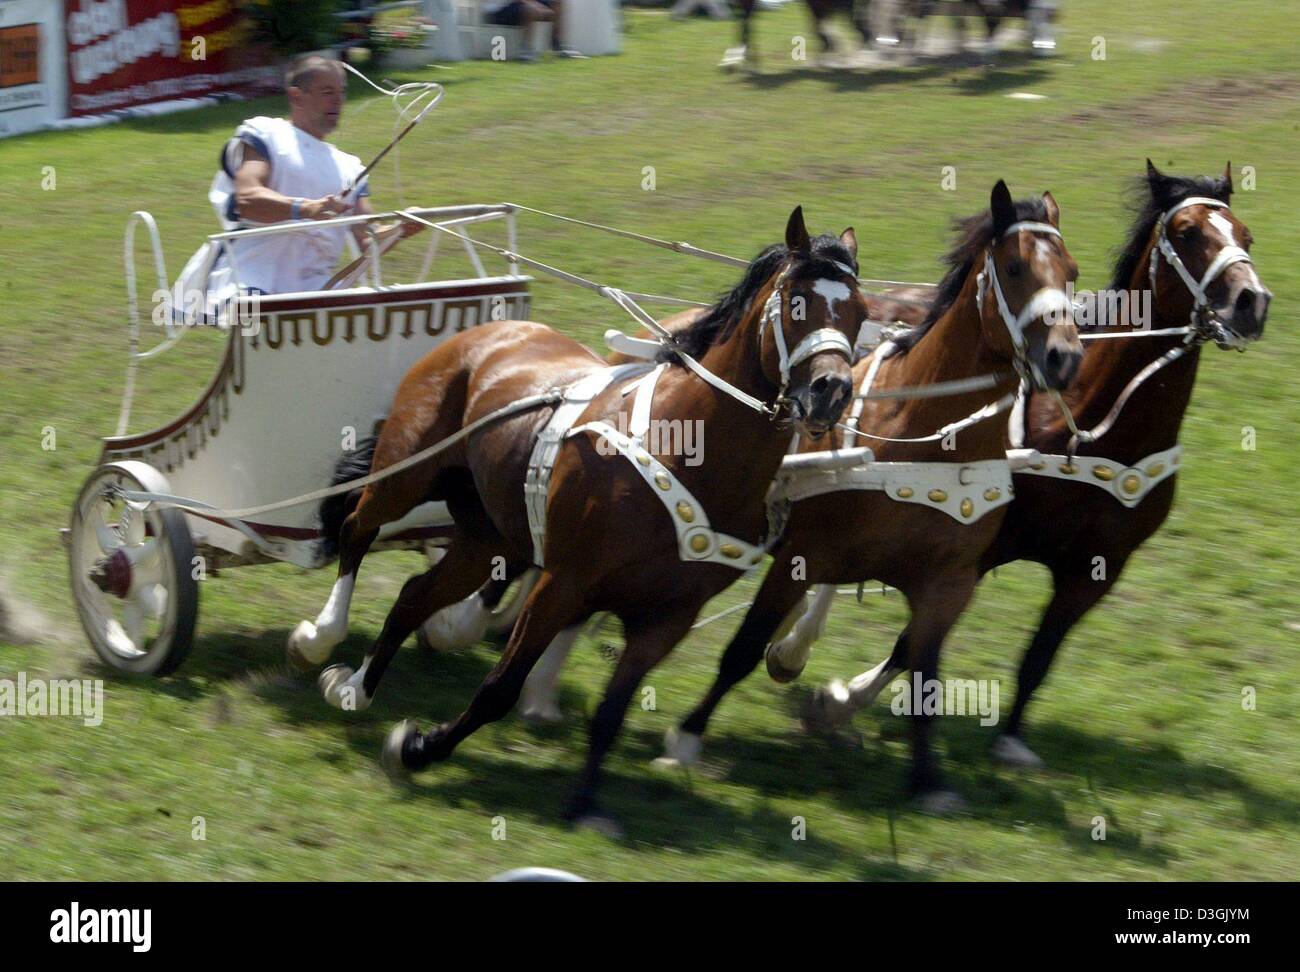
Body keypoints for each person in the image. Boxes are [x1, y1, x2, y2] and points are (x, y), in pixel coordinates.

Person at [215, 54, 418, 295]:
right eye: (327, 93)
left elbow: (366, 240)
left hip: (316, 290)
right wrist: (307, 209)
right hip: (253, 280)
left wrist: (399, 229)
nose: (338, 101)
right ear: (296, 96)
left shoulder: (350, 167)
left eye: (341, 92)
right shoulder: (266, 134)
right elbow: (246, 200)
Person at [481, 0, 583, 61]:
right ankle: (525, 51)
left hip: (518, 5)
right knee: (530, 8)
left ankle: (558, 47)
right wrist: (535, 5)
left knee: (557, 2)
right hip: (497, 11)